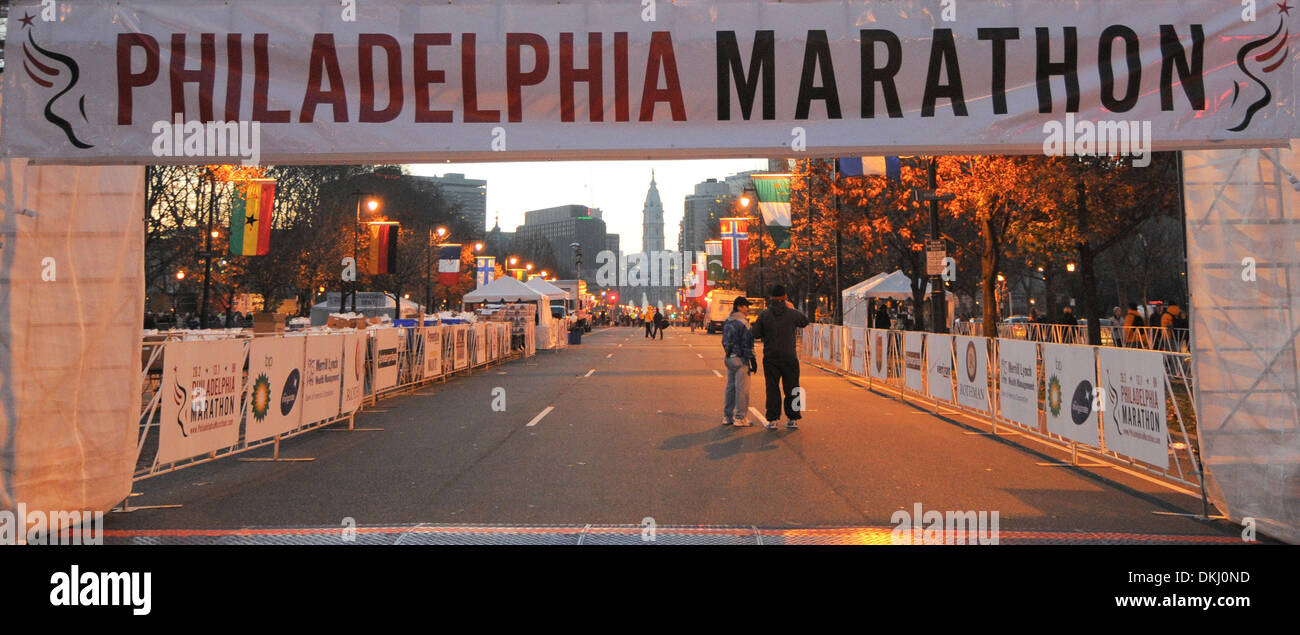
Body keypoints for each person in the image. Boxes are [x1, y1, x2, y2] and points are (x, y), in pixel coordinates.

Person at [751, 285, 810, 430]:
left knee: (772, 388)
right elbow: (805, 321)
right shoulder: (792, 313)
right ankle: (794, 418)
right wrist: (793, 308)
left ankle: (772, 419)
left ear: (771, 297)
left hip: (771, 356)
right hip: (790, 355)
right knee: (793, 386)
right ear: (785, 297)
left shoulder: (765, 315)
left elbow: (755, 333)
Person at [721, 297, 757, 426]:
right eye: (746, 306)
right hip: (741, 359)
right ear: (739, 307)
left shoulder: (727, 321)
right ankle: (740, 417)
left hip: (729, 357)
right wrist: (753, 360)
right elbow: (748, 343)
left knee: (730, 388)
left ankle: (727, 416)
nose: (748, 309)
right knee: (742, 389)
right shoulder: (743, 323)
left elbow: (724, 341)